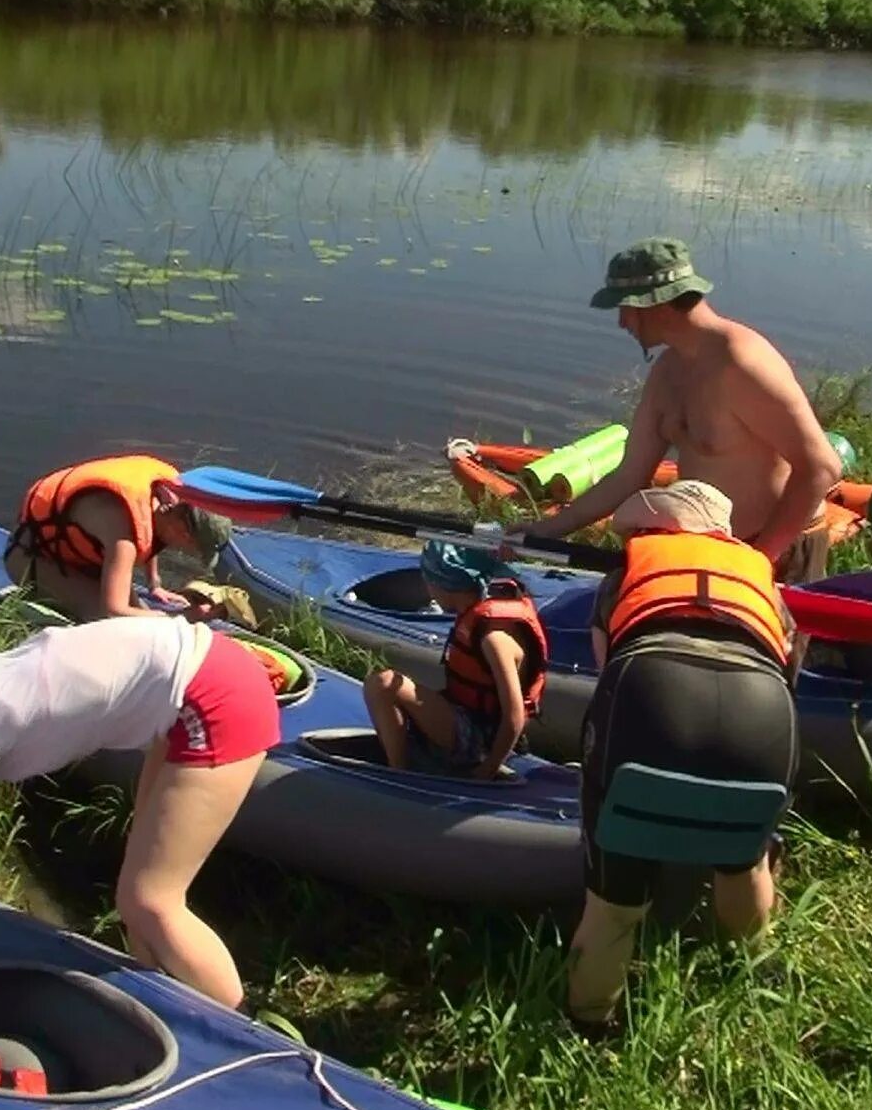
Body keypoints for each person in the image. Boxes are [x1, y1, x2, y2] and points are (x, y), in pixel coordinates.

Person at [0, 615, 279, 1009]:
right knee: (137, 899)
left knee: (151, 901)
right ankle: (175, 1001)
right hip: (207, 671)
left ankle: (242, 1028)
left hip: (211, 702)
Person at [568, 481, 795, 1031]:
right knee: (745, 860)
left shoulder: (626, 573)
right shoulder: (763, 581)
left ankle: (589, 1027)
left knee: (614, 903)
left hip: (651, 684)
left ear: (656, 530)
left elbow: (607, 670)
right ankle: (757, 979)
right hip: (763, 703)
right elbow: (787, 661)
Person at [519, 237, 845, 586]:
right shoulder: (667, 372)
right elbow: (629, 476)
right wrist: (543, 531)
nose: (621, 322)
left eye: (625, 309)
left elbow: (821, 467)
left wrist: (760, 558)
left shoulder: (742, 363)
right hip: (714, 550)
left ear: (655, 304)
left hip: (777, 553)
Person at [360, 541, 546, 779]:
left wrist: (487, 770)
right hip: (469, 719)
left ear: (441, 584)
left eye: (427, 581)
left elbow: (514, 715)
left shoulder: (494, 639)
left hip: (480, 740)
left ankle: (399, 776)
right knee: (392, 686)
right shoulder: (477, 611)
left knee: (383, 684)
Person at [3, 454, 234, 622]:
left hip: (82, 552)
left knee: (142, 614)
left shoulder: (169, 498)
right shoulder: (123, 533)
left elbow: (153, 534)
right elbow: (113, 611)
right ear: (184, 531)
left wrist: (155, 585)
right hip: (31, 555)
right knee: (108, 621)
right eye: (193, 546)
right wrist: (183, 619)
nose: (187, 550)